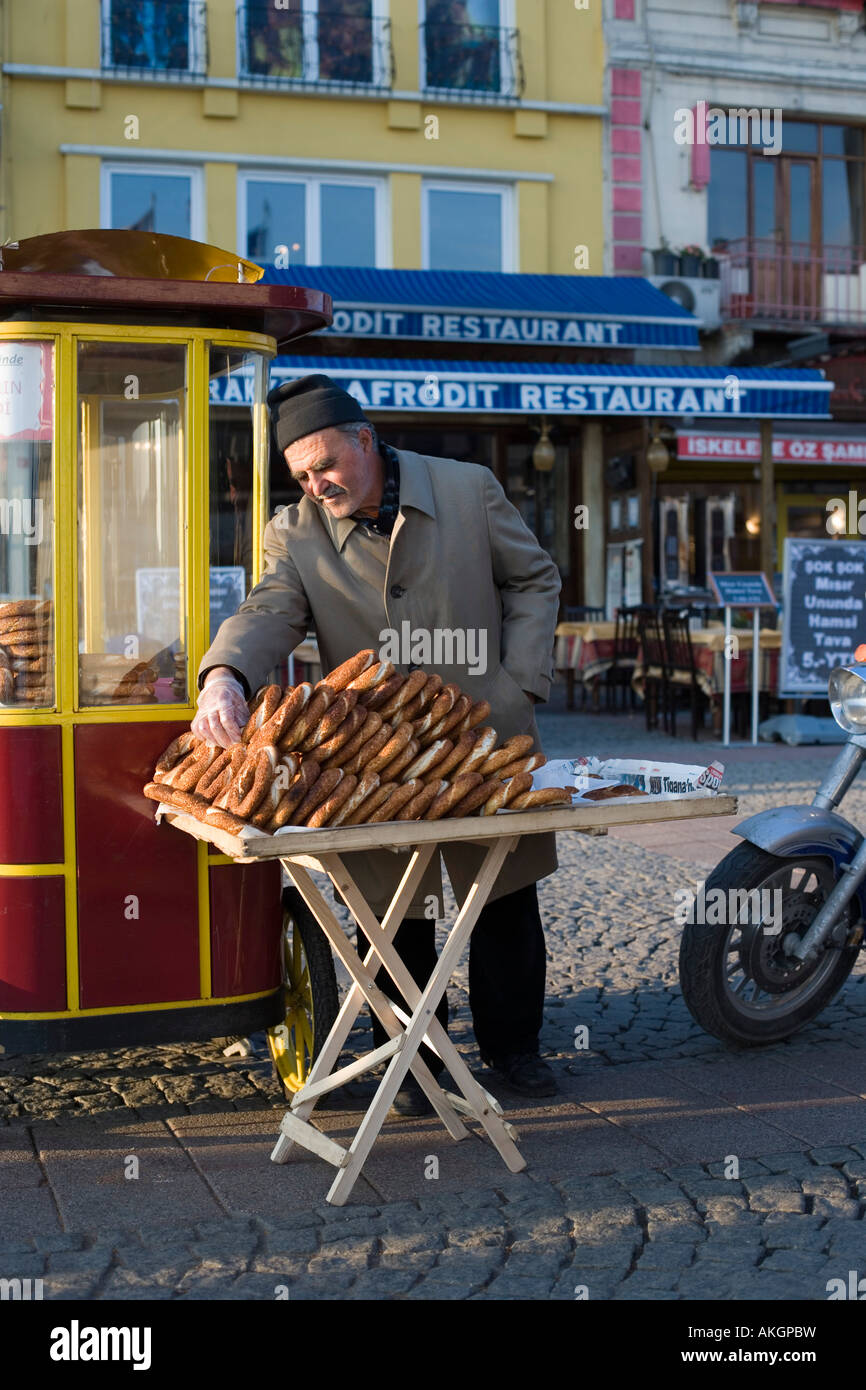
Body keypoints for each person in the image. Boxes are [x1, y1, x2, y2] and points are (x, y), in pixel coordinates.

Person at [193, 373, 561, 1114]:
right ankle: (414, 1057)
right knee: (392, 909)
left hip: (484, 735)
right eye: (301, 474)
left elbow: (534, 578)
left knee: (504, 896)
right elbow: (271, 608)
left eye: (325, 465)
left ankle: (515, 1047)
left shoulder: (468, 487)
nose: (316, 484)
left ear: (366, 439)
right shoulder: (294, 530)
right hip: (371, 754)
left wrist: (518, 682)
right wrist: (224, 673)